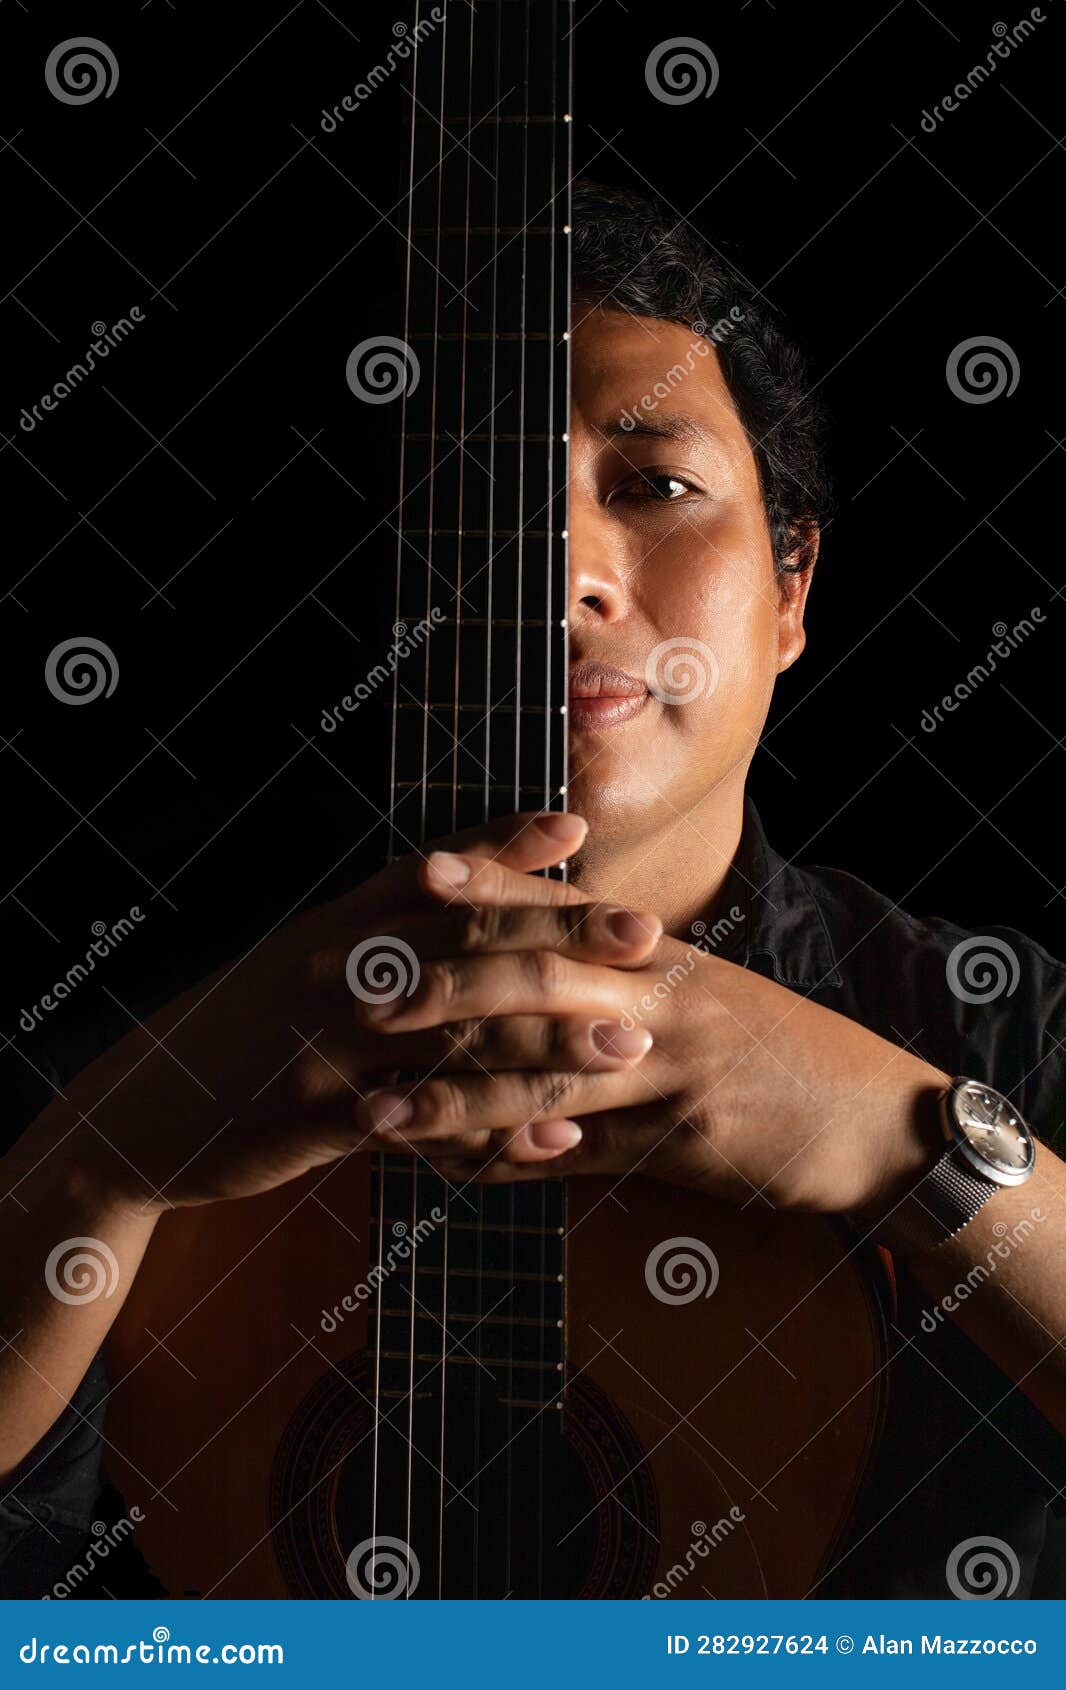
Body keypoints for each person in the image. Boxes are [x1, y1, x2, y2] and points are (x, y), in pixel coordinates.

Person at [1, 181, 1063, 1600]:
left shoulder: (985, 1025)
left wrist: (897, 1135)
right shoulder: (107, 1000)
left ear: (792, 582)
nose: (552, 572)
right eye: (467, 494)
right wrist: (98, 1157)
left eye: (650, 485)